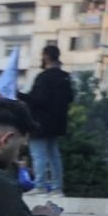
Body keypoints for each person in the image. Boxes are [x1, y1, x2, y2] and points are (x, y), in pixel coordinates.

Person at [22, 45, 72, 195]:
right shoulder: (64, 77)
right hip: (57, 122)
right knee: (54, 155)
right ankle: (57, 187)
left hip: (40, 122)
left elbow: (38, 99)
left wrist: (19, 95)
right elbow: (70, 98)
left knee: (39, 155)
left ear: (46, 56)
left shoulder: (44, 77)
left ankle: (40, 185)